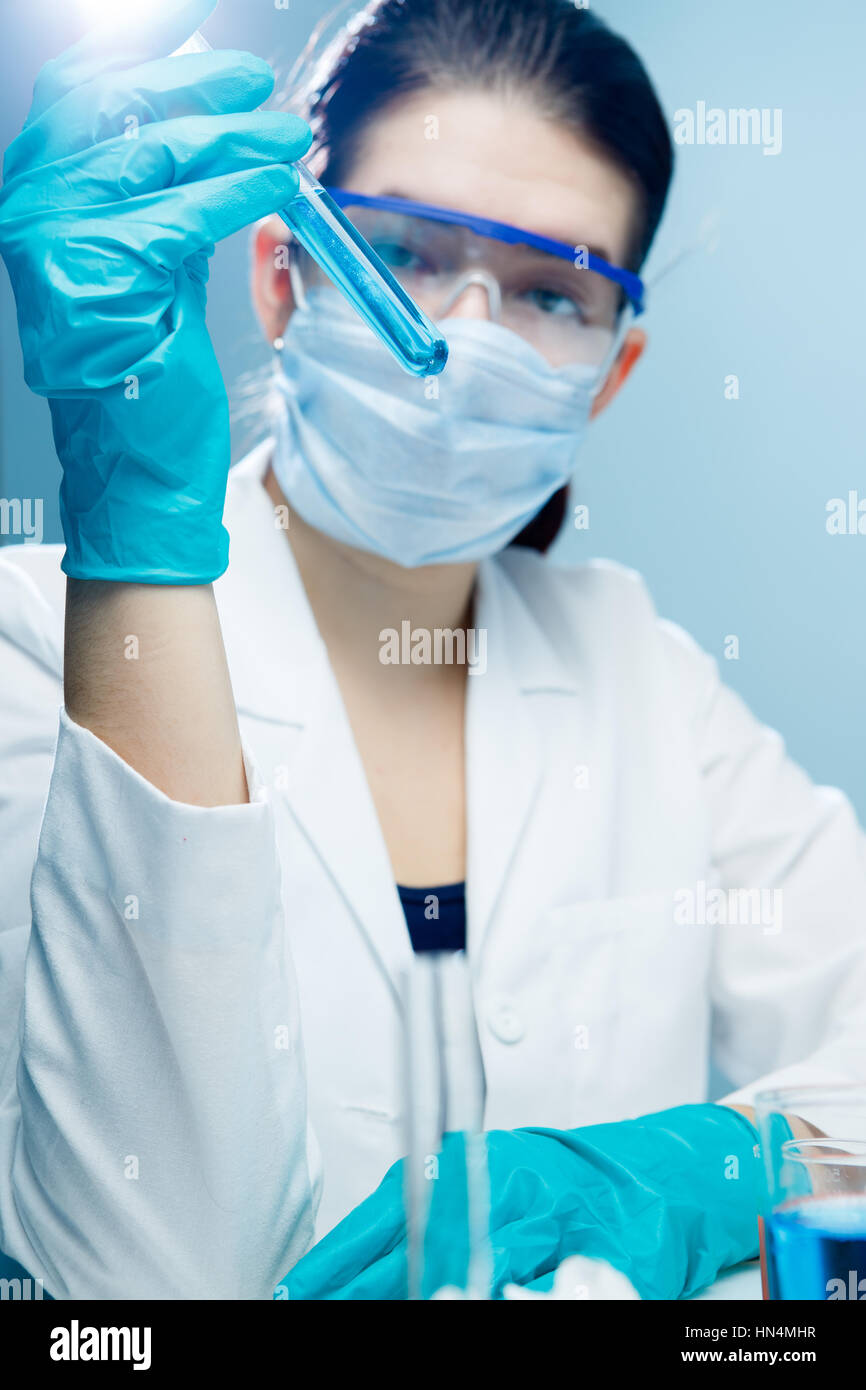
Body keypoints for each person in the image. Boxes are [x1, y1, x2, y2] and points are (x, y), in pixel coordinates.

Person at [0, 0, 864, 1300]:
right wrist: (138, 541)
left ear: (608, 372)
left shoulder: (642, 674)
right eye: (400, 252)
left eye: (547, 291)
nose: (462, 338)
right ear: (281, 274)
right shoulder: (32, 639)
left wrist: (727, 1163)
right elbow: (140, 1280)